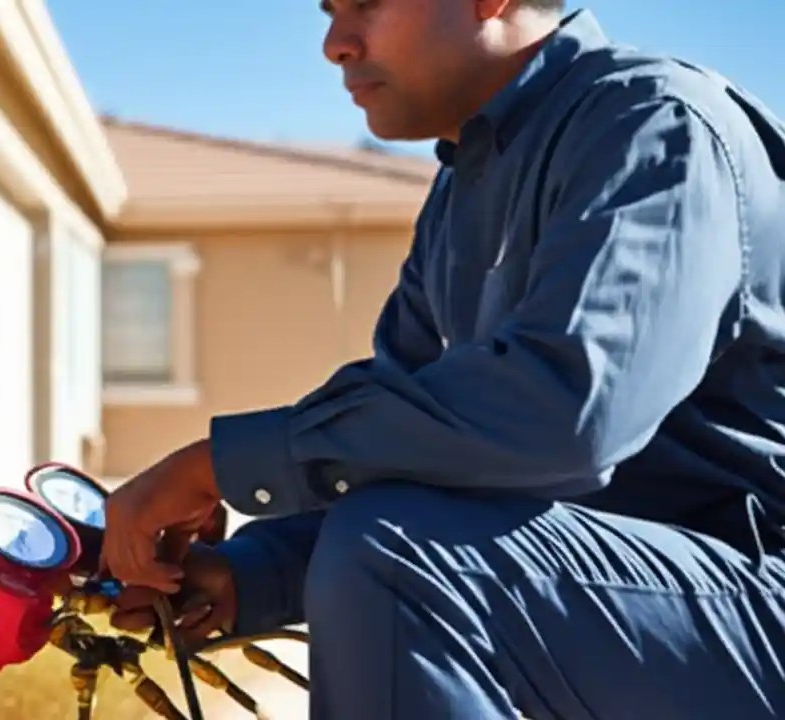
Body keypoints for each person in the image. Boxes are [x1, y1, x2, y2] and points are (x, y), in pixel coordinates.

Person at [100, 2, 785, 718]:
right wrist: (251, 573)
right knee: (390, 538)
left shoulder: (652, 125)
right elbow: (405, 449)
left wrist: (215, 464)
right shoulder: (465, 184)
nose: (335, 44)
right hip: (629, 611)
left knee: (397, 554)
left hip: (756, 603)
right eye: (329, 12)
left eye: (365, 4)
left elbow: (566, 415)